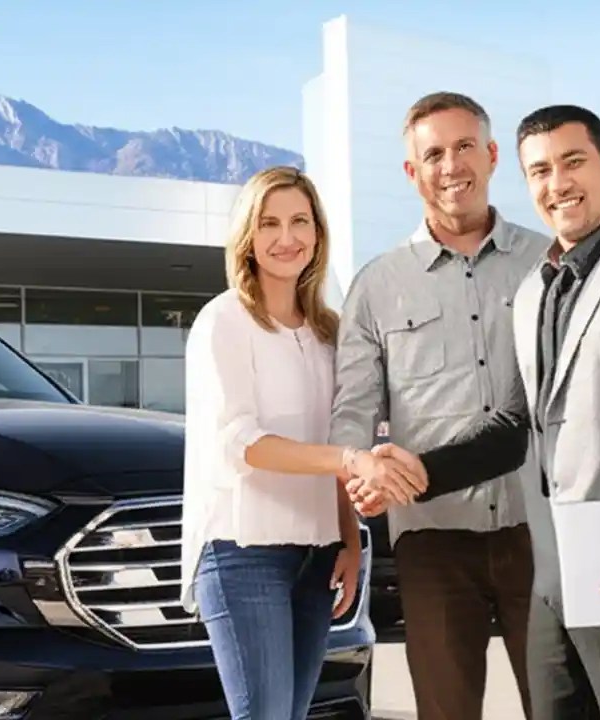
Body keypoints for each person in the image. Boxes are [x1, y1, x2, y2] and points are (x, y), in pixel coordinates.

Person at [351, 104, 600, 720]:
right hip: (555, 586)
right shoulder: (534, 289)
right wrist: (416, 472)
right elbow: (514, 428)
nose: (557, 183)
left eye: (573, 163)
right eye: (540, 171)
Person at [329, 91, 548, 720]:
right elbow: (353, 414)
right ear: (411, 172)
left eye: (463, 147)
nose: (450, 166)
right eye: (432, 154)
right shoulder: (377, 284)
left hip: (542, 532)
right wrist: (355, 489)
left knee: (565, 707)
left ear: (492, 154)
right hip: (432, 544)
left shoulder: (549, 262)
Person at [179, 165, 424, 719]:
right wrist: (348, 458)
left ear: (317, 234)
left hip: (316, 557)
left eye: (299, 221)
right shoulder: (223, 321)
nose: (286, 238)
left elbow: (336, 438)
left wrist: (350, 540)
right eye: (269, 223)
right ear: (247, 235)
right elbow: (241, 443)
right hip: (244, 554)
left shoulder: (329, 333)